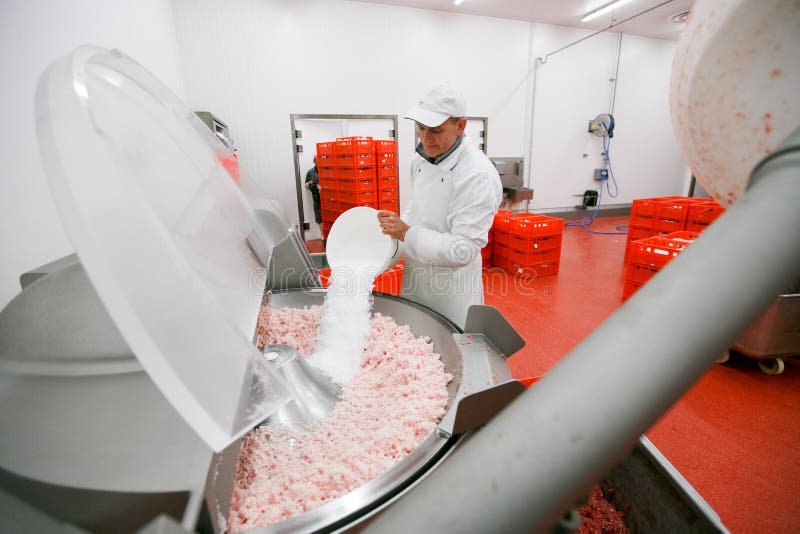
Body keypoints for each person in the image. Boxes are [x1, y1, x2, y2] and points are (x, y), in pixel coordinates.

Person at [377, 83, 502, 328]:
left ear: (461, 126)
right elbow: (416, 211)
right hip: (416, 277)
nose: (426, 138)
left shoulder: (477, 175)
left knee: (447, 351)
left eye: (435, 130)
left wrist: (405, 232)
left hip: (451, 291)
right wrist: (387, 246)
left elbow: (463, 249)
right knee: (413, 344)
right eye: (420, 128)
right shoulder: (420, 161)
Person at [306, 156, 322, 225]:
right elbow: (306, 184)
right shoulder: (310, 172)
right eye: (316, 160)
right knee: (319, 217)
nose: (317, 162)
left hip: (328, 198)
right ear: (314, 161)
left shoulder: (326, 169)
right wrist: (309, 184)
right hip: (316, 198)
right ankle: (322, 235)